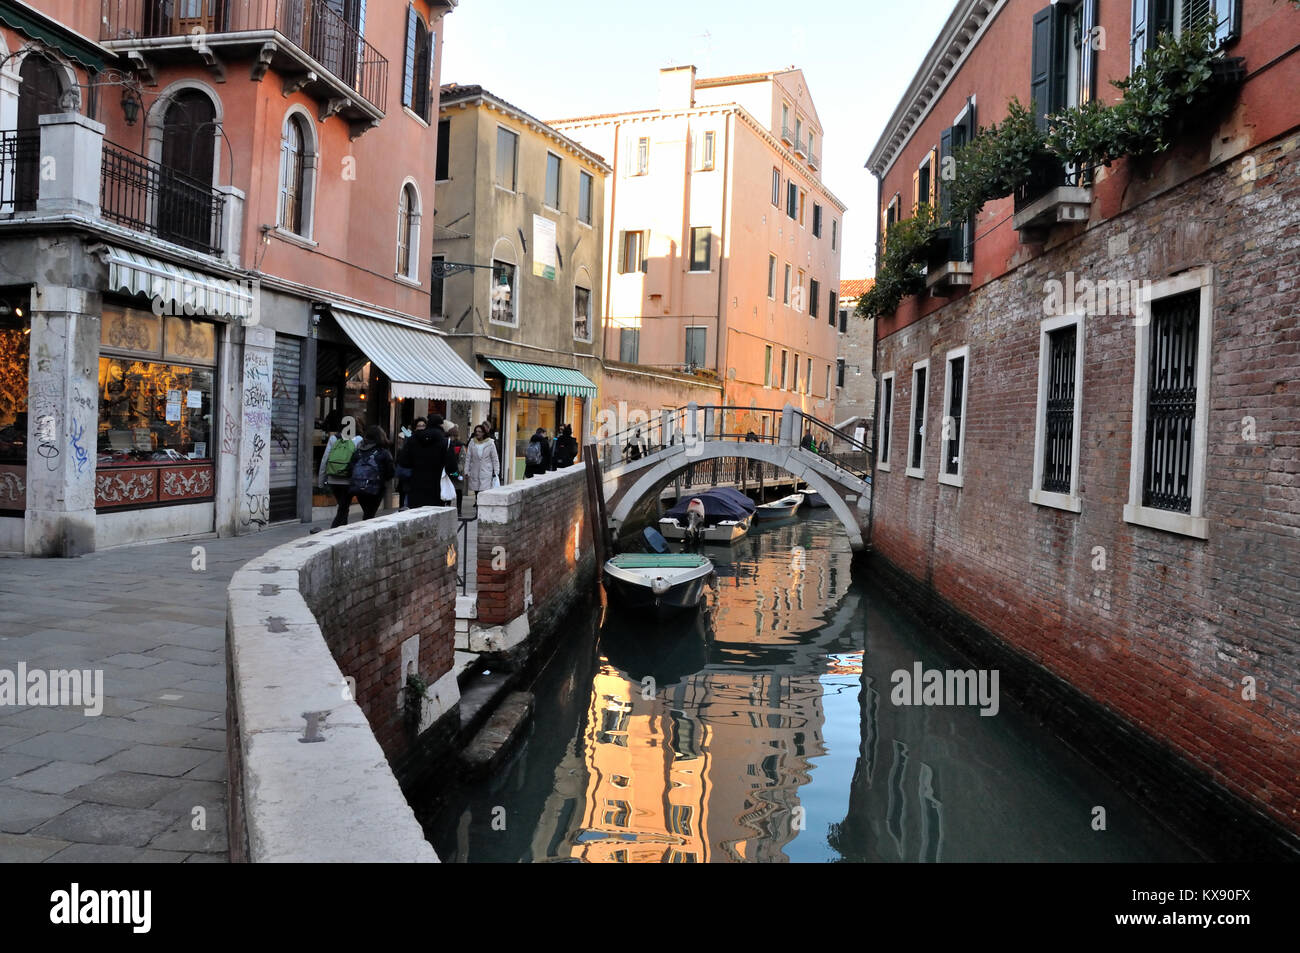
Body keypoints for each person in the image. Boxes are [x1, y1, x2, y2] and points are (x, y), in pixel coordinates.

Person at [398, 416, 455, 509]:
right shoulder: (445, 442)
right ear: (441, 426)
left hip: (416, 487)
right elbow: (452, 467)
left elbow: (403, 462)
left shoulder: (413, 439)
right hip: (437, 489)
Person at [318, 424, 363, 528]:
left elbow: (325, 459)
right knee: (343, 508)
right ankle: (332, 531)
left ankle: (342, 529)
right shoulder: (358, 439)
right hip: (348, 480)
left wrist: (321, 481)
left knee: (343, 507)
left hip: (333, 480)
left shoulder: (333, 438)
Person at [348, 425, 395, 521]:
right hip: (376, 488)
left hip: (359, 487)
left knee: (367, 513)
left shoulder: (358, 452)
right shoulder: (384, 452)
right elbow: (390, 472)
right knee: (370, 514)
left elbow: (350, 468)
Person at [465, 424, 500, 504]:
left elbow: (495, 459)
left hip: (486, 472)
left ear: (484, 433)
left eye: (480, 431)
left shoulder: (490, 443)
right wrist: (466, 471)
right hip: (475, 472)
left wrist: (496, 472)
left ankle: (483, 512)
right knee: (477, 494)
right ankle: (477, 513)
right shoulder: (472, 442)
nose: (477, 433)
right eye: (476, 431)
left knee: (484, 494)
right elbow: (468, 458)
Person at [442, 421, 466, 511]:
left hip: (457, 473)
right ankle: (447, 507)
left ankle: (459, 509)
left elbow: (462, 460)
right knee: (448, 489)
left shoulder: (460, 445)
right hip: (448, 472)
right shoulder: (446, 444)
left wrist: (457, 470)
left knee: (458, 490)